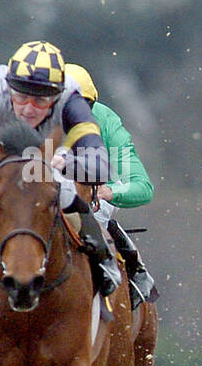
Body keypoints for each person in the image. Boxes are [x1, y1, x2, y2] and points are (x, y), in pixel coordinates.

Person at [0, 40, 121, 304]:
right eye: (21, 96)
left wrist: (67, 165)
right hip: (3, 156)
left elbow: (101, 166)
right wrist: (4, 155)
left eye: (40, 100)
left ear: (57, 96)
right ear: (10, 87)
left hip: (51, 159)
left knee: (65, 195)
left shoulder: (72, 99)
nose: (28, 108)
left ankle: (103, 259)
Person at [62, 63, 158, 308]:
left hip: (91, 207)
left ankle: (128, 287)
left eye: (84, 107)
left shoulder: (105, 121)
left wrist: (110, 191)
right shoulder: (35, 114)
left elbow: (142, 187)